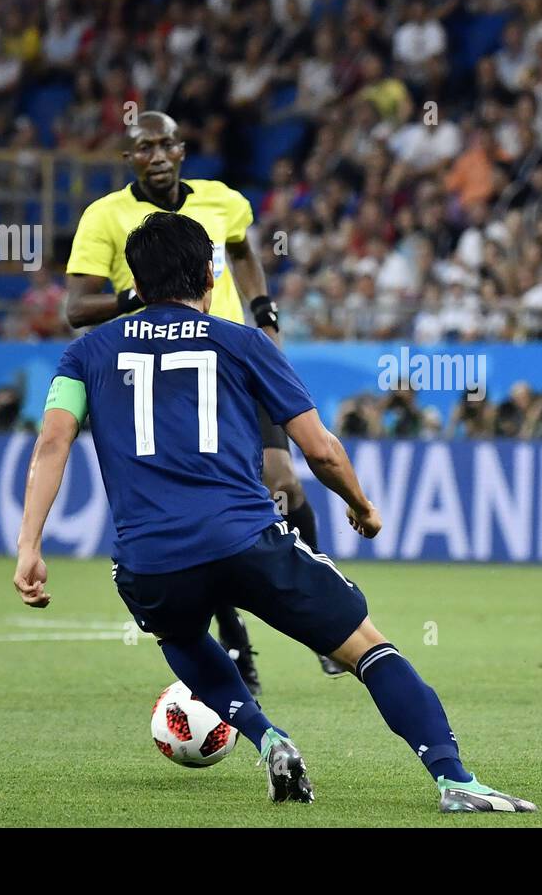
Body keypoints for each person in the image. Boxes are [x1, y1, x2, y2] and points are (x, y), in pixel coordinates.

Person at [12, 212, 535, 814]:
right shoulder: (243, 342)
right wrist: (361, 507)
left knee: (179, 633)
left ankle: (267, 737)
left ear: (136, 281)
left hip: (151, 560)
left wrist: (30, 545)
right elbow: (319, 448)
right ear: (209, 278)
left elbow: (51, 444)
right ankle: (454, 780)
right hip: (245, 540)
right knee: (368, 650)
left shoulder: (84, 355)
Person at [63, 110, 340, 688]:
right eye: (145, 147)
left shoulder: (222, 202)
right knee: (202, 510)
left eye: (167, 144)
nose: (157, 155)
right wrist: (139, 297)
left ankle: (326, 619)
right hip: (167, 382)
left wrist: (262, 310)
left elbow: (240, 250)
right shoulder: (105, 217)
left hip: (233, 365)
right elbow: (74, 309)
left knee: (284, 483)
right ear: (130, 158)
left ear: (183, 149)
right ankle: (234, 641)